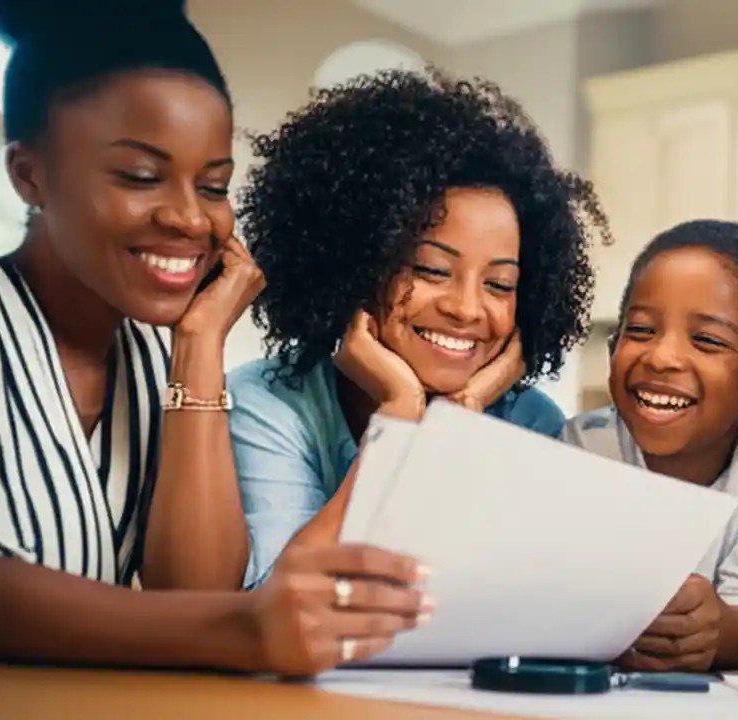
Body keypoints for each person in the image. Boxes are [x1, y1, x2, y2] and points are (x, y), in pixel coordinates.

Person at [0, 0, 426, 675]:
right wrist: (242, 627)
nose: (191, 218)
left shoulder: (160, 351)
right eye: (140, 176)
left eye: (214, 185)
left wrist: (201, 341)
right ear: (28, 173)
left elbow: (195, 595)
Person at [229, 68, 609, 589]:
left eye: (500, 285)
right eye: (432, 271)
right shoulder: (268, 402)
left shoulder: (529, 420)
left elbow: (519, 600)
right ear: (357, 267)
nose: (467, 309)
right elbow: (281, 599)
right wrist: (400, 415)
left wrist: (461, 419)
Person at [563, 220, 738, 671]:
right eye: (641, 330)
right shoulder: (582, 445)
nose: (661, 357)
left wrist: (711, 628)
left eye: (706, 340)